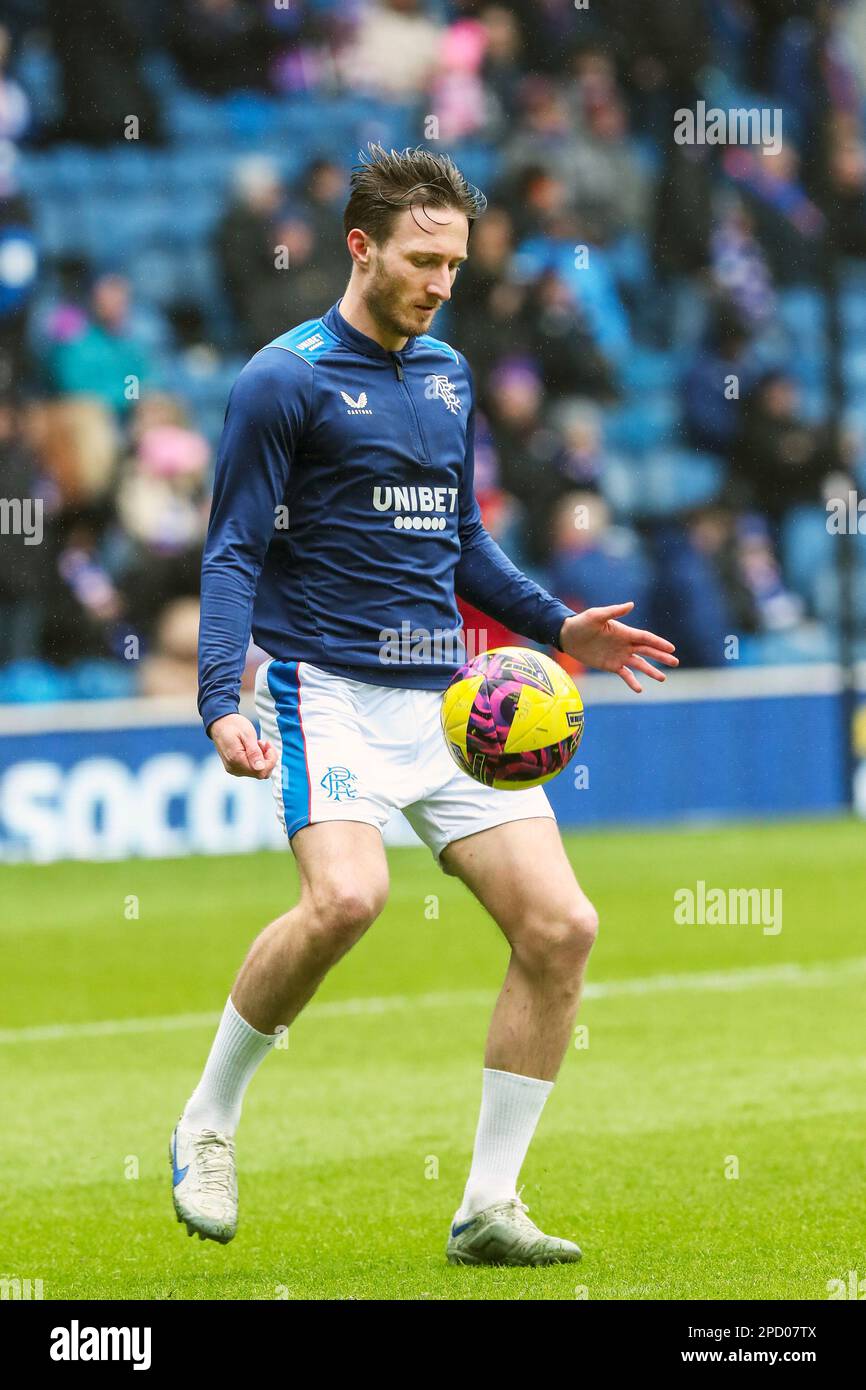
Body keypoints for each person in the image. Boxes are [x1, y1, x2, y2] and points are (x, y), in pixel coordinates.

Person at [174, 144, 677, 1267]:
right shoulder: (282, 379)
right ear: (360, 247)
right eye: (421, 259)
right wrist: (220, 700)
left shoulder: (447, 375)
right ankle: (207, 1120)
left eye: (451, 262)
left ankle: (488, 1205)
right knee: (346, 900)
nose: (441, 280)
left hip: (448, 705)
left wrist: (558, 629)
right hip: (326, 693)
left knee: (562, 927)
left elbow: (459, 543)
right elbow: (230, 553)